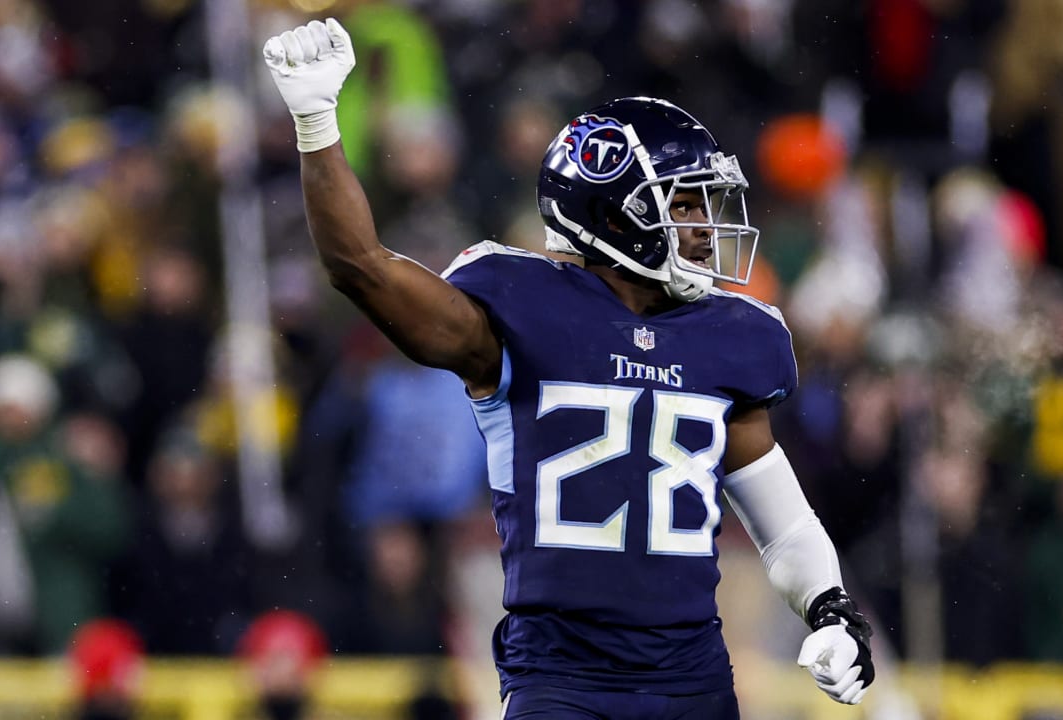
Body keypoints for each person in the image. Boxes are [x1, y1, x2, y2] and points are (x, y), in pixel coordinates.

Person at [262, 18, 875, 717]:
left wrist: (830, 610)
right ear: (611, 212)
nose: (706, 226)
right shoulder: (518, 306)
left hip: (693, 681)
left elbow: (782, 519)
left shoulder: (735, 336)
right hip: (562, 682)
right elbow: (360, 266)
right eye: (683, 203)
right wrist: (317, 123)